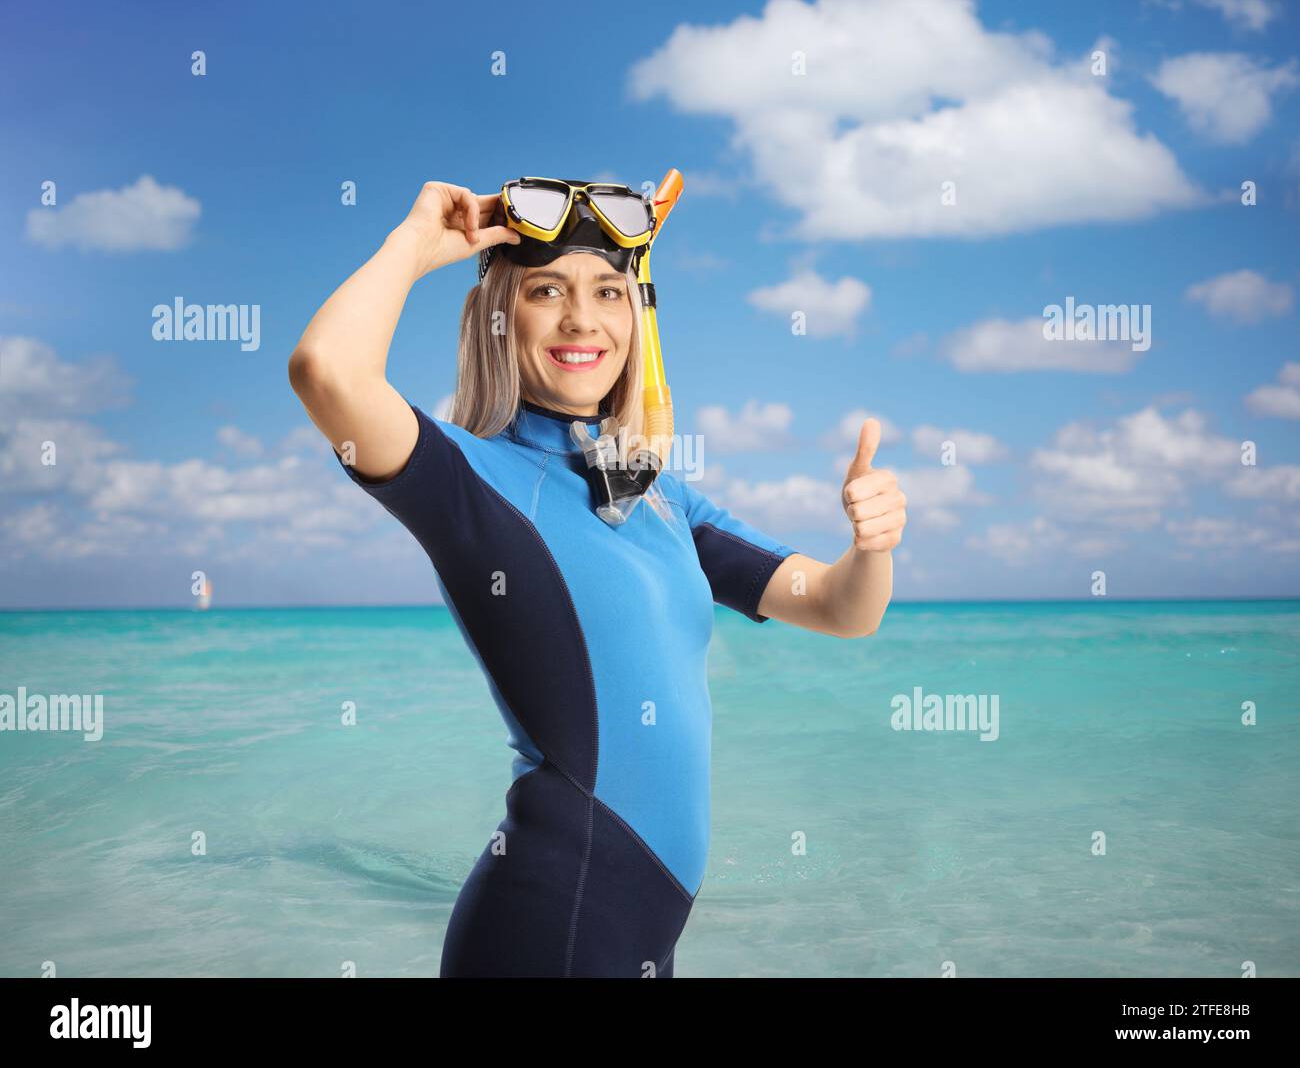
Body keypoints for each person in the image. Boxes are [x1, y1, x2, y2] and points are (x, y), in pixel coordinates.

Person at [288, 179, 906, 977]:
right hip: (548, 925)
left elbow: (837, 606)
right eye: (547, 290)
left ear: (636, 318)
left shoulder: (656, 494)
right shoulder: (470, 479)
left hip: (639, 933)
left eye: (608, 291)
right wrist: (415, 246)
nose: (583, 317)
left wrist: (873, 543)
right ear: (499, 319)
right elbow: (325, 370)